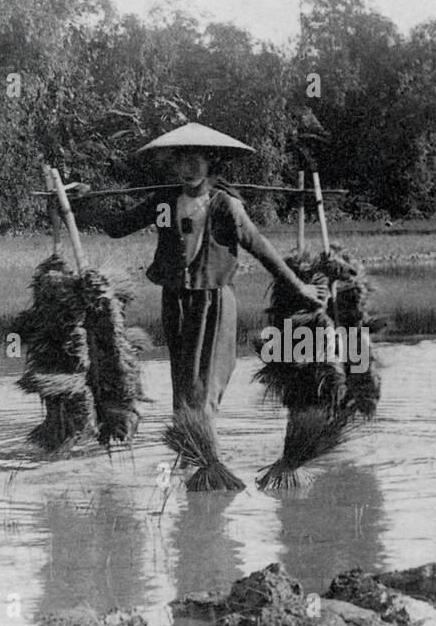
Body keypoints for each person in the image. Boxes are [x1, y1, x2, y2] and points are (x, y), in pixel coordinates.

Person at [61, 122, 327, 418]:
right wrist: (82, 203)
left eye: (194, 160)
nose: (186, 168)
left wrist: (299, 287)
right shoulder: (164, 201)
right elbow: (118, 226)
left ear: (210, 162)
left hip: (213, 303)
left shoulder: (225, 205)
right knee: (184, 388)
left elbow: (261, 248)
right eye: (180, 160)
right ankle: (189, 450)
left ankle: (204, 452)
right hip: (176, 302)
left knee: (205, 390)